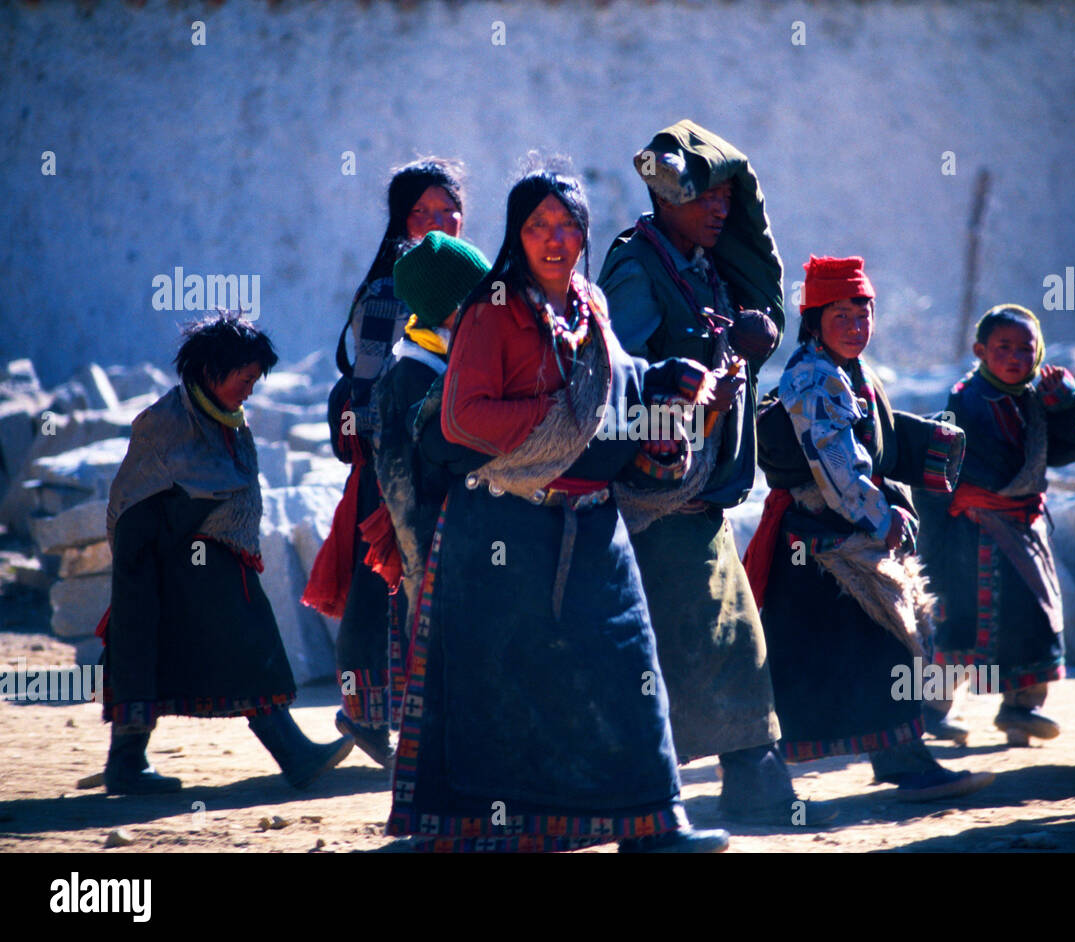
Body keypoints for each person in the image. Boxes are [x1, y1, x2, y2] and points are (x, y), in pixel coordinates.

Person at [385, 161, 730, 852]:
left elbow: (615, 377)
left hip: (592, 525)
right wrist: (565, 427)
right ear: (517, 233)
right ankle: (460, 830)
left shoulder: (589, 303)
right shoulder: (492, 310)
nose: (554, 239)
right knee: (502, 683)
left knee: (627, 664)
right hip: (502, 529)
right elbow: (463, 417)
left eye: (568, 225)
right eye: (538, 225)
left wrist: (665, 377)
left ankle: (654, 824)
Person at [598, 120, 833, 825]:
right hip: (658, 505)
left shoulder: (697, 264)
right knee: (717, 650)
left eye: (729, 193)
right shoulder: (638, 269)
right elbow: (626, 378)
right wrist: (724, 342)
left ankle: (731, 792)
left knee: (721, 645)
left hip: (699, 500)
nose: (722, 207)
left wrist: (737, 341)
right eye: (707, 193)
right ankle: (741, 796)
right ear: (669, 192)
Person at [745, 255, 994, 800]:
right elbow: (836, 460)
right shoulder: (814, 379)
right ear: (813, 320)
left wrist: (928, 450)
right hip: (822, 548)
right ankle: (763, 778)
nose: (856, 327)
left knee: (851, 656)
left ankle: (900, 758)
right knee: (838, 657)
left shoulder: (850, 371)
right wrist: (879, 517)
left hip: (834, 539)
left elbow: (872, 437)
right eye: (841, 316)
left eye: (863, 316)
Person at [98, 315, 353, 794]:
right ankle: (130, 765)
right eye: (246, 378)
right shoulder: (169, 424)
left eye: (255, 381)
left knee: (228, 647)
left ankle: (129, 764)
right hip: (165, 566)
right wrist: (161, 570)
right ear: (213, 370)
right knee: (175, 650)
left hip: (211, 562)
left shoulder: (223, 422)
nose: (250, 390)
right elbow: (139, 506)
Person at [303, 157, 468, 770]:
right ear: (401, 222)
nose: (436, 223)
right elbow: (368, 388)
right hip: (392, 462)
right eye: (420, 213)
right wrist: (398, 455)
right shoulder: (386, 292)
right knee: (383, 587)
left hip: (449, 459)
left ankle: (411, 726)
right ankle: (366, 715)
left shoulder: (473, 281)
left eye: (447, 211)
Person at [917, 305, 1075, 745]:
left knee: (1031, 621)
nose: (1015, 357)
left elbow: (1074, 446)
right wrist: (935, 545)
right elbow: (939, 474)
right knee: (960, 624)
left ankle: (1021, 709)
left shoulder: (1036, 399)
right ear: (980, 351)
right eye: (1002, 348)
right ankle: (930, 713)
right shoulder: (966, 400)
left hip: (1021, 528)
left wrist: (1066, 404)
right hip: (971, 535)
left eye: (1025, 348)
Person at [368, 230, 492, 699]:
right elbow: (421, 474)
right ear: (451, 311)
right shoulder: (413, 374)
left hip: (465, 534)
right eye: (479, 301)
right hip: (435, 538)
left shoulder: (451, 360)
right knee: (442, 654)